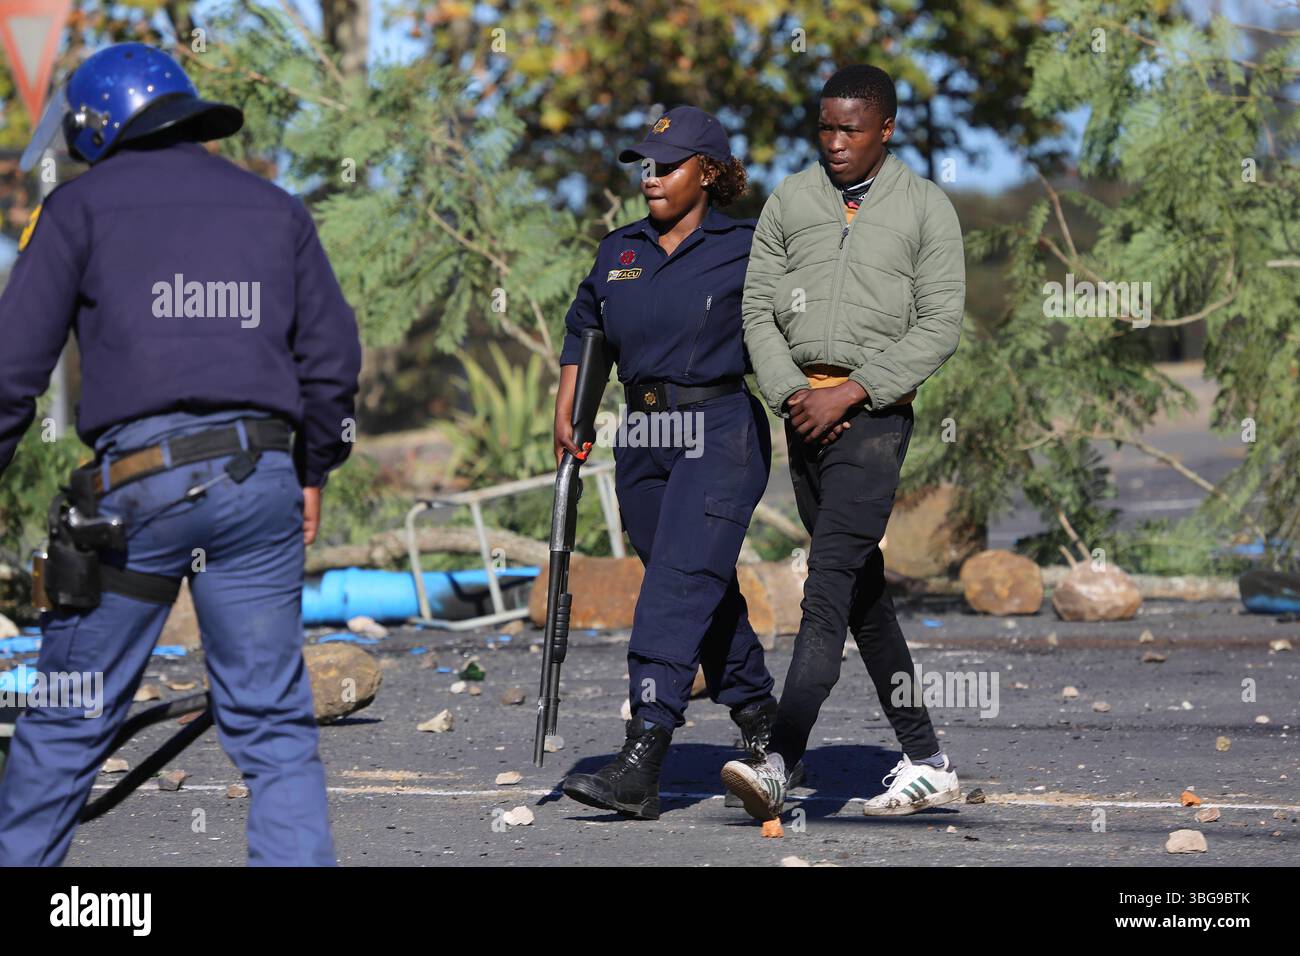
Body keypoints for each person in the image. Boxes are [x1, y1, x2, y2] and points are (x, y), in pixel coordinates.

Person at [0, 42, 361, 865]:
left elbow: (9, 372)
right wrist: (311, 473)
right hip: (263, 478)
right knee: (272, 724)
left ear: (94, 127)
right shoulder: (276, 207)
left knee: (67, 711)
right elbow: (333, 358)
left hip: (142, 489)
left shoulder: (78, 211)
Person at [723, 64, 964, 820]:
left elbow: (939, 326)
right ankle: (927, 762)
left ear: (884, 129)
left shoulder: (926, 208)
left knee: (824, 588)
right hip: (803, 417)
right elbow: (757, 307)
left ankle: (779, 760)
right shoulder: (791, 200)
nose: (834, 142)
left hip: (874, 421)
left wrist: (853, 393)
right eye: (825, 127)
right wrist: (794, 393)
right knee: (862, 596)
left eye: (850, 130)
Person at [554, 106, 793, 820]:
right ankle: (759, 717)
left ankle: (642, 754)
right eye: (646, 167)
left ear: (710, 173)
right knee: (690, 580)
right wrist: (568, 414)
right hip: (643, 432)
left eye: (669, 166)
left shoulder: (751, 247)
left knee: (676, 583)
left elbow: (800, 326)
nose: (652, 178)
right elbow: (584, 332)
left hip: (719, 427)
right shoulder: (616, 251)